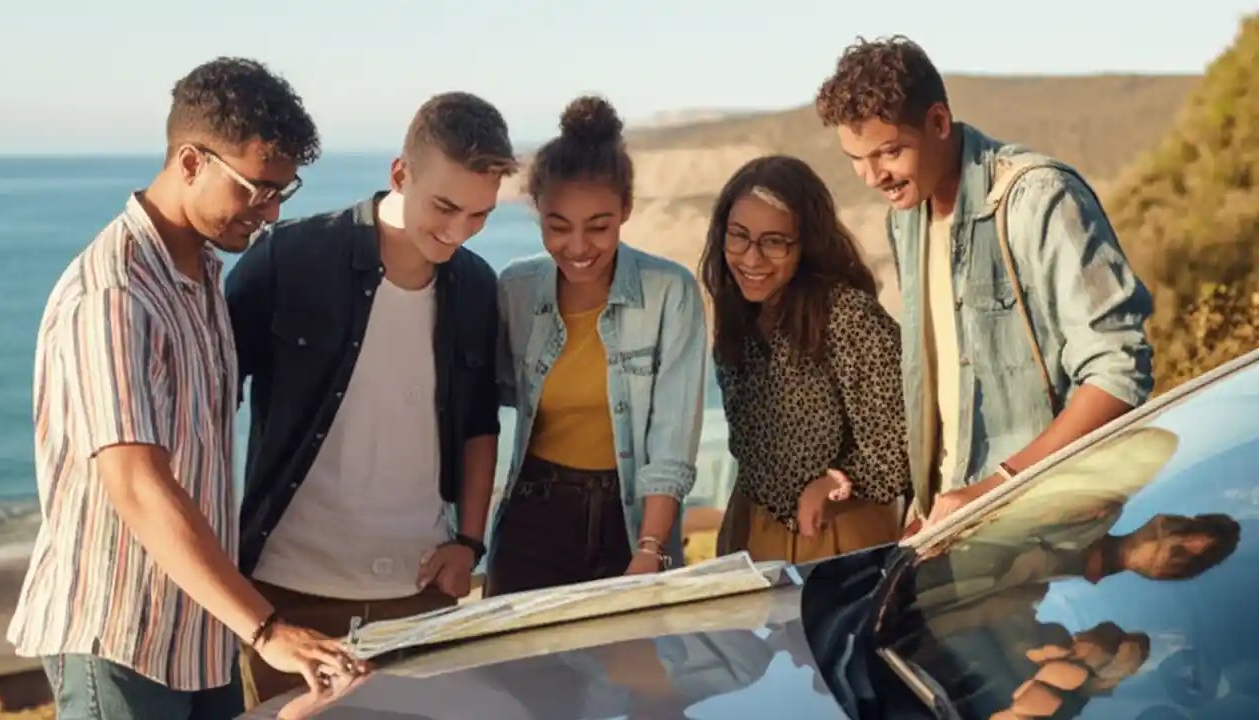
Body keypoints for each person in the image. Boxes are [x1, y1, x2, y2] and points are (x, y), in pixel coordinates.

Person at [5, 57, 362, 720]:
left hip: (198, 631)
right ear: (191, 161)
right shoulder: (115, 295)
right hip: (119, 640)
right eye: (257, 187)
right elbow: (138, 484)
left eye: (284, 190)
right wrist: (265, 628)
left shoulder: (198, 274)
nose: (272, 210)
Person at [223, 91, 516, 707]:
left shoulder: (476, 287)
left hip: (421, 587)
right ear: (400, 173)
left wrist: (469, 541)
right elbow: (207, 404)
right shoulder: (289, 259)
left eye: (480, 215)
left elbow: (478, 426)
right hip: (291, 592)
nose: (458, 231)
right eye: (444, 206)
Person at [815, 36, 1154, 531]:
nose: (872, 177)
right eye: (855, 158)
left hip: (1050, 525)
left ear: (938, 122)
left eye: (888, 152)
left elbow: (1118, 373)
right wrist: (924, 507)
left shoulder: (1038, 199)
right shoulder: (905, 218)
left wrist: (998, 485)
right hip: (952, 528)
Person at [487, 96, 708, 595]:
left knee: (631, 671)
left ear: (626, 210)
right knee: (521, 672)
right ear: (537, 211)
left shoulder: (669, 292)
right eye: (558, 227)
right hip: (533, 516)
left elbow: (671, 440)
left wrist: (650, 548)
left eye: (599, 226)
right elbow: (476, 412)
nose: (579, 247)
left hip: (630, 521)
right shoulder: (514, 290)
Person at [702, 154, 910, 564]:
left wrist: (835, 481)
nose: (752, 258)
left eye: (774, 241)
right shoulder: (738, 318)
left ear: (807, 244)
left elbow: (902, 444)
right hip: (752, 530)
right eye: (738, 236)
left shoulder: (849, 317)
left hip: (839, 536)